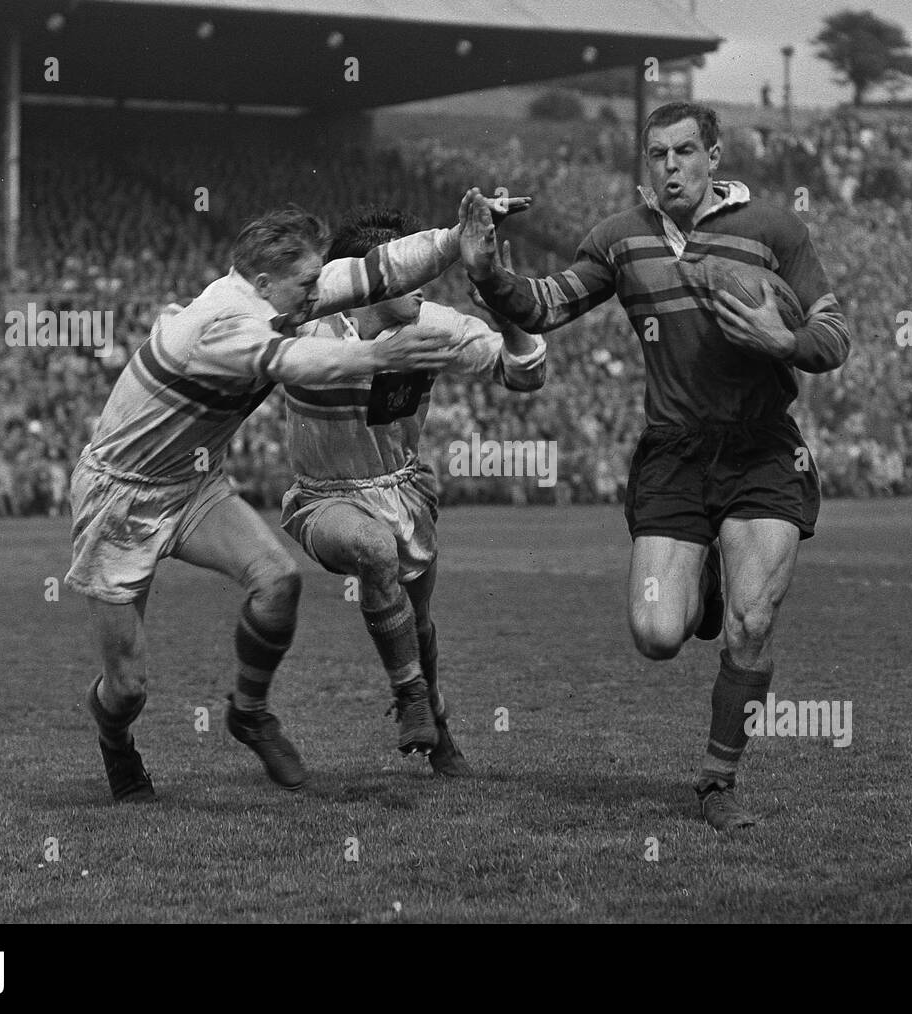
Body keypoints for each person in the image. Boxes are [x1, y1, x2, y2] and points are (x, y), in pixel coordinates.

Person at [460, 103, 851, 832]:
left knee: (752, 620)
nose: (669, 166)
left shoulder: (774, 230)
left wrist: (782, 338)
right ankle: (700, 575)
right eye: (656, 155)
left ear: (713, 155)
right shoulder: (620, 240)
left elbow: (833, 335)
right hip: (673, 452)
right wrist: (488, 273)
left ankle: (716, 782)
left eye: (683, 152)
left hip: (763, 447)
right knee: (656, 634)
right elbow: (544, 305)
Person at [66, 190, 524, 803]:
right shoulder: (225, 321)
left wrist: (457, 237)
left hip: (192, 484)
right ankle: (118, 746)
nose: (318, 294)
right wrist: (372, 354)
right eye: (308, 282)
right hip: (120, 498)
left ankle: (249, 711)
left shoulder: (280, 291)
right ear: (263, 279)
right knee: (128, 689)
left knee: (279, 582)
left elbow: (375, 270)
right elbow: (296, 362)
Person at [280, 208, 546, 774]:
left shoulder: (434, 326)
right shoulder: (306, 326)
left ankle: (436, 725)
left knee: (419, 628)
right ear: (378, 280)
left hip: (405, 493)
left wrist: (510, 314)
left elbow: (526, 374)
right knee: (373, 549)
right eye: (408, 273)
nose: (422, 285)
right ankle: (409, 697)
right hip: (324, 497)